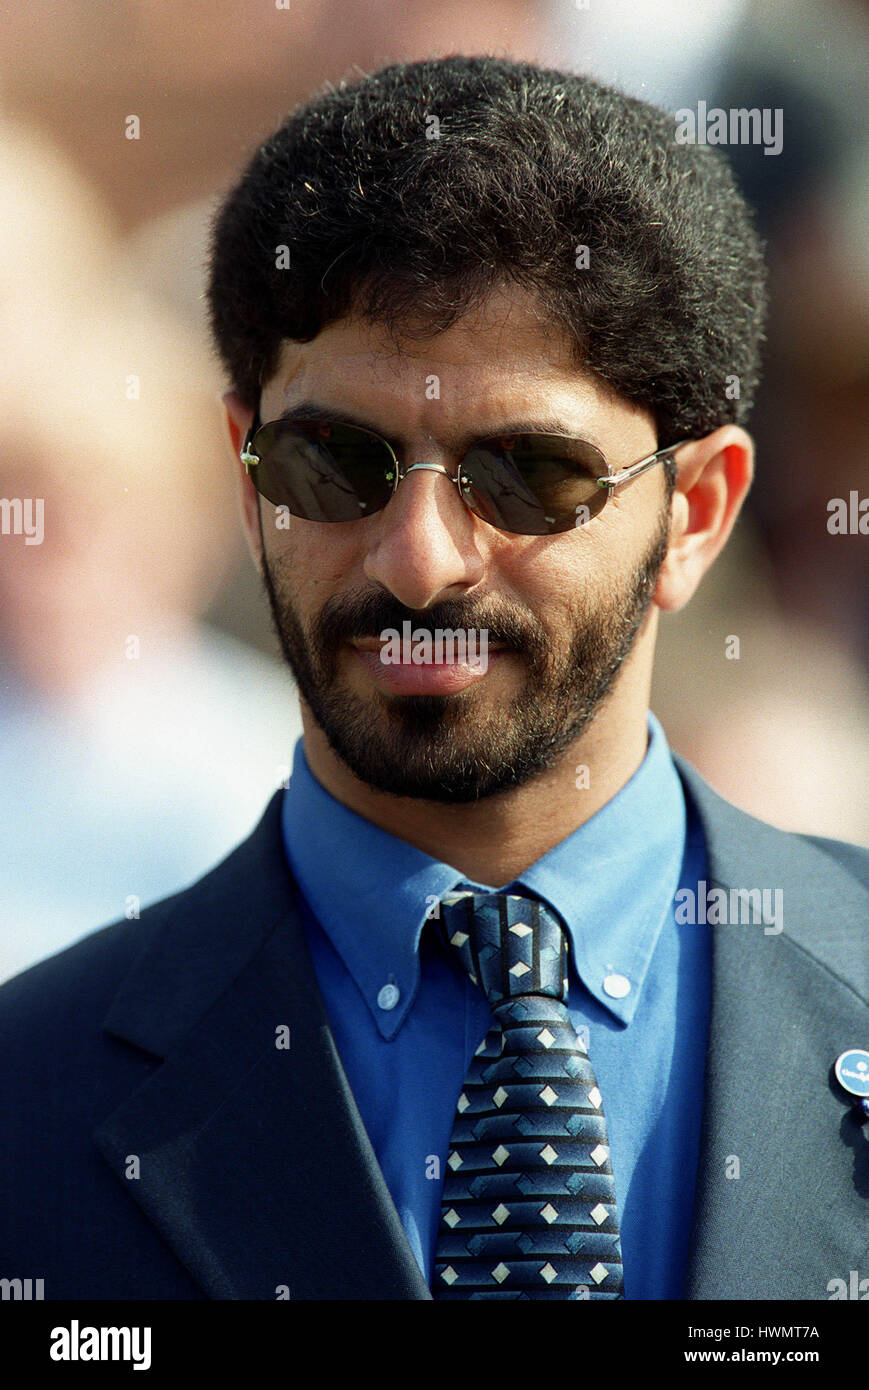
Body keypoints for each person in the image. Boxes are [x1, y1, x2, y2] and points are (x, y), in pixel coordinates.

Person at [1, 55, 866, 1302]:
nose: (417, 560)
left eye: (524, 473)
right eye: (335, 462)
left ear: (696, 512)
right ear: (245, 475)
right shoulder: (33, 1101)